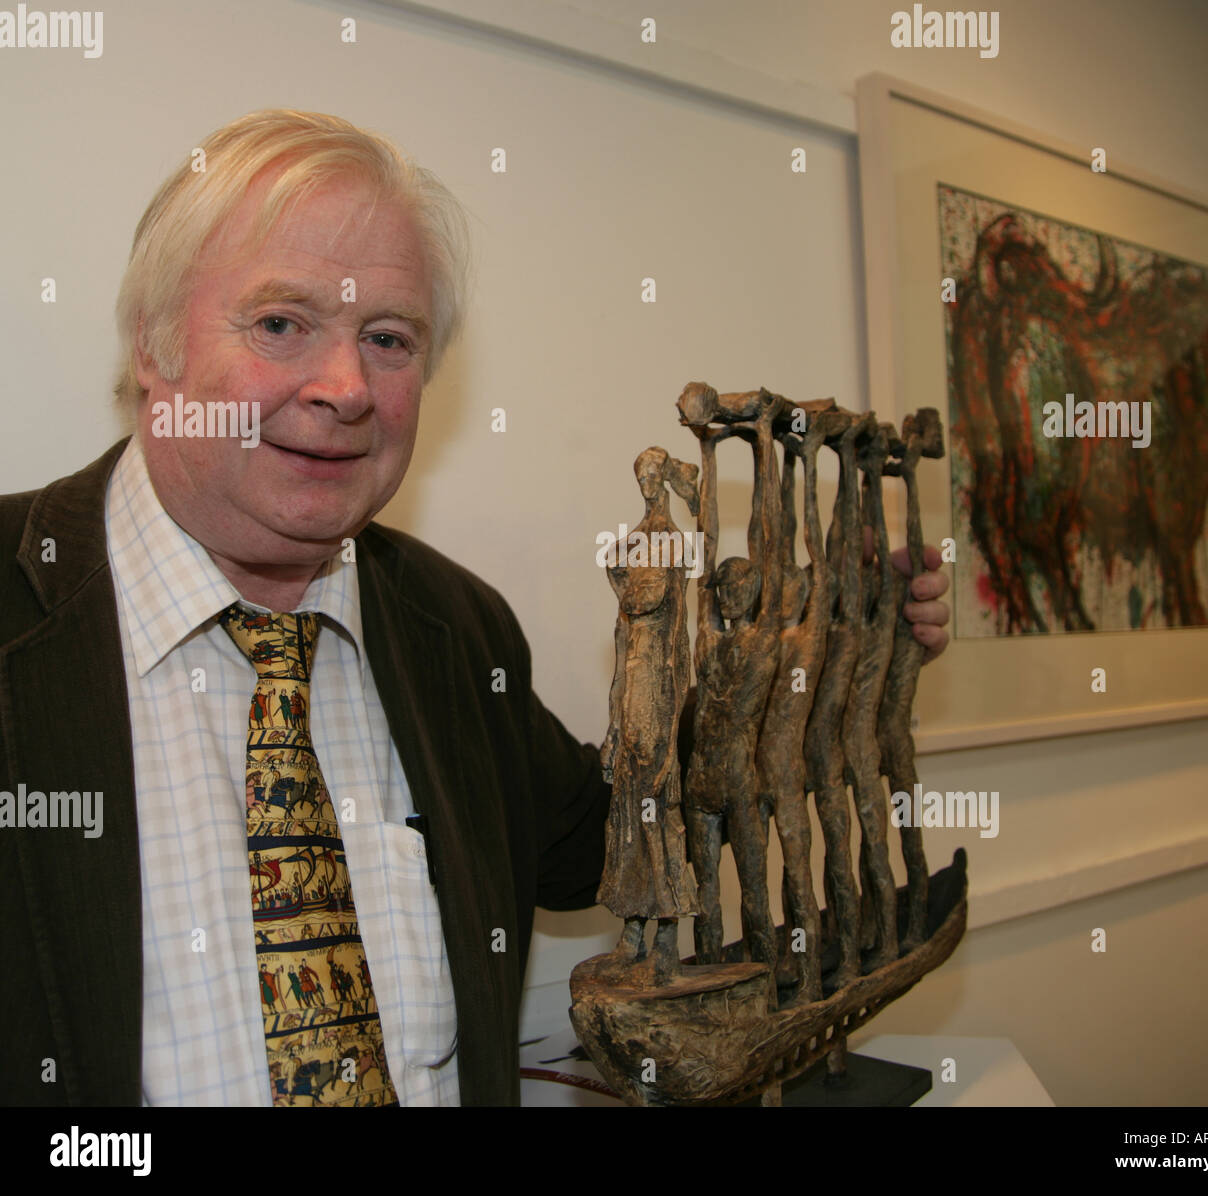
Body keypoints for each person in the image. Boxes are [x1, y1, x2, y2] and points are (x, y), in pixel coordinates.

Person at [0, 109, 949, 1107]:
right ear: (155, 346)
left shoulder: (456, 629)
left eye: (387, 338)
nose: (345, 386)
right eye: (280, 323)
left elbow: (613, 844)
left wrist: (819, 664)